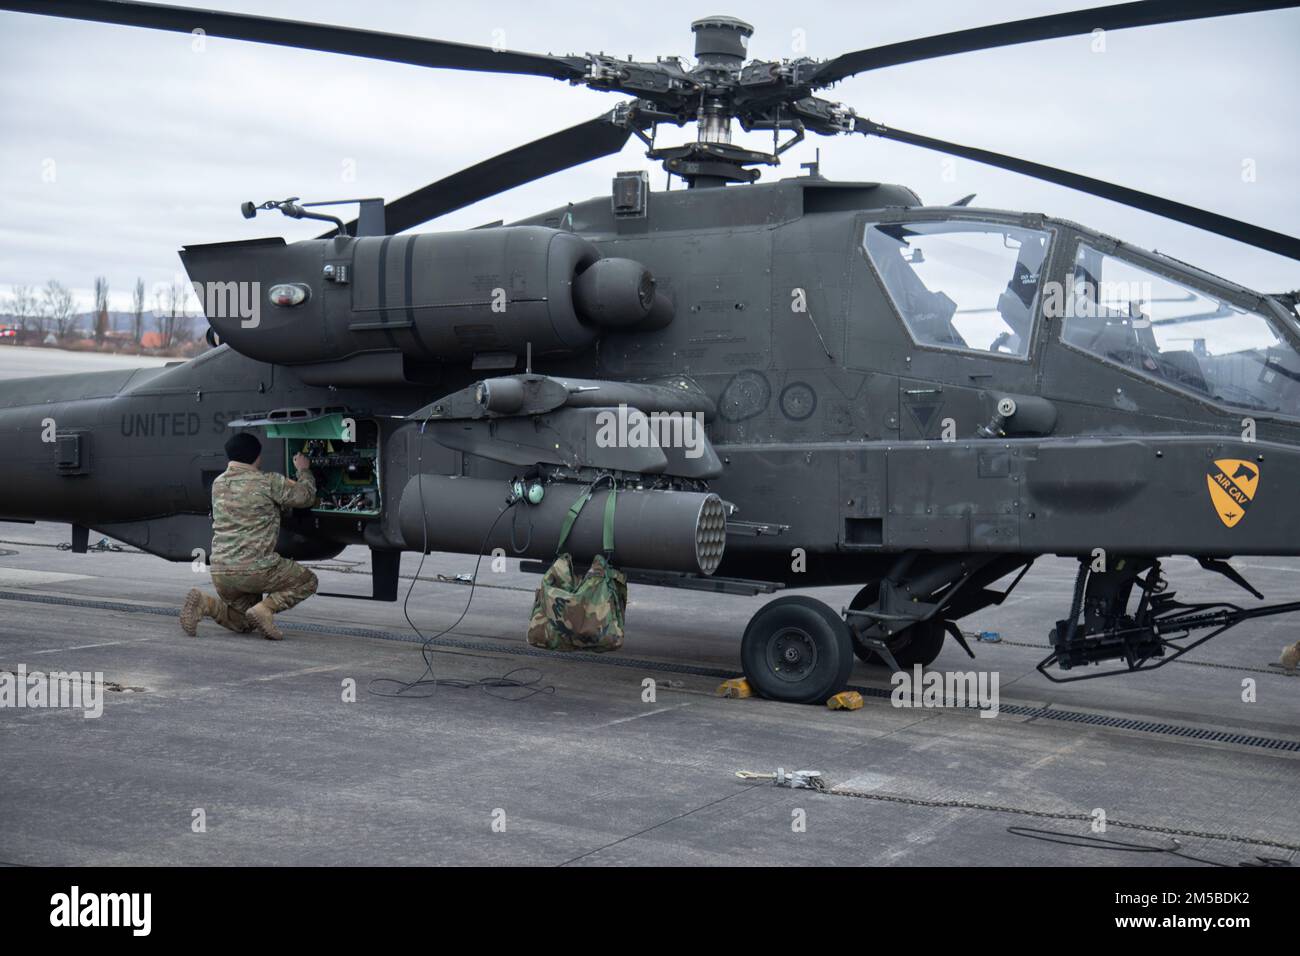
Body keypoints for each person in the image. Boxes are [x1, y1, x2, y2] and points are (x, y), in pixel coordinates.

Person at [180, 432, 319, 641]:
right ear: (257, 456)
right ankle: (266, 609)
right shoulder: (268, 481)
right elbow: (306, 497)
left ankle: (206, 603)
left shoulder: (218, 484)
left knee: (244, 622)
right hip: (256, 568)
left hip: (222, 571)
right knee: (308, 581)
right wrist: (304, 470)